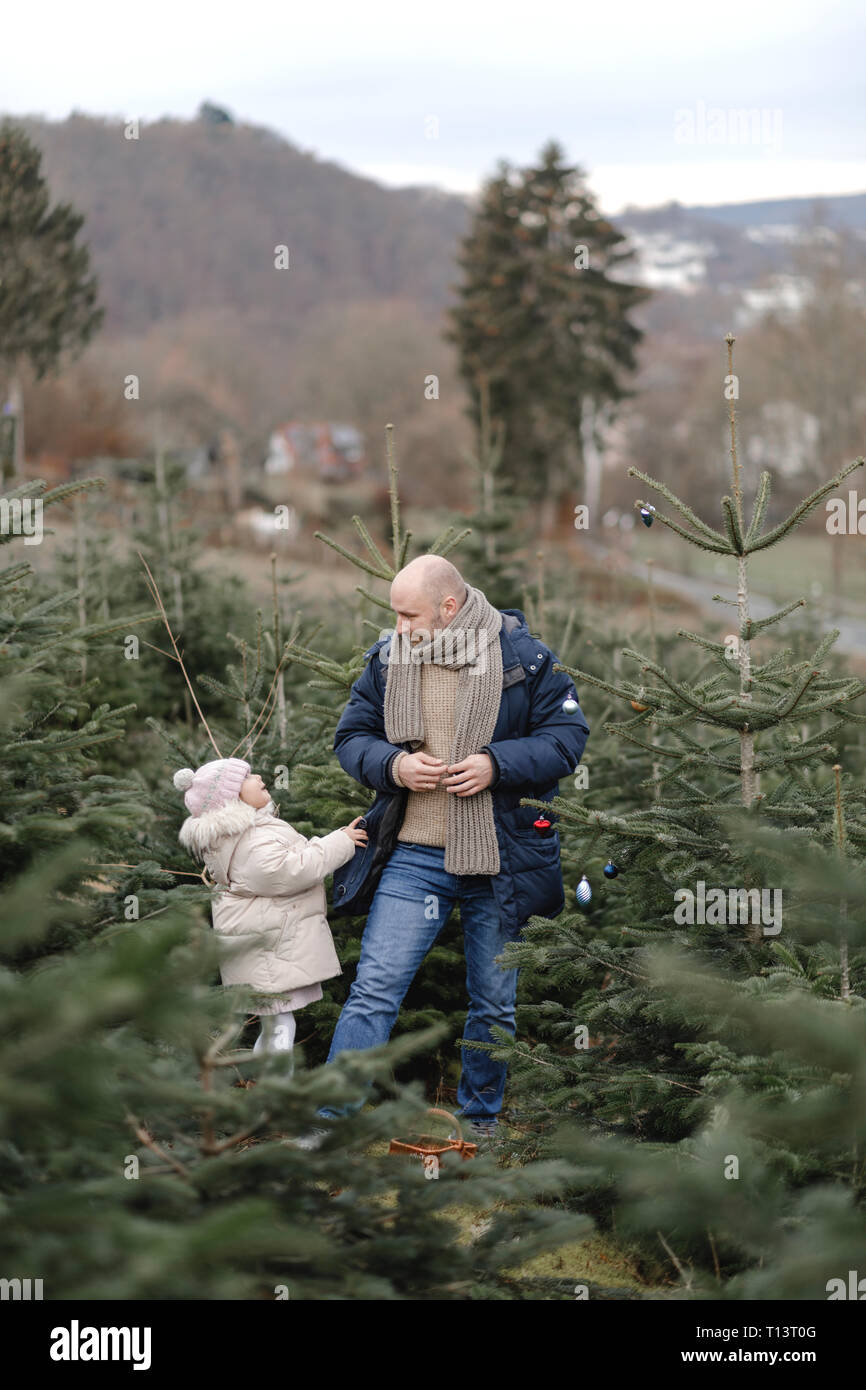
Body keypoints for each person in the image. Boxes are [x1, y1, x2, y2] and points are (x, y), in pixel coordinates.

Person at [315, 554, 590, 1142]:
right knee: (374, 990)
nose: (400, 627)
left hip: (498, 858)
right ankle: (329, 1125)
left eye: (409, 614)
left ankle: (481, 1124)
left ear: (449, 607)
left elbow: (568, 739)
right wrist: (392, 764)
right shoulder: (389, 660)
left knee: (493, 1001)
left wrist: (497, 764)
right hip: (414, 857)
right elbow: (350, 738)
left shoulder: (525, 659)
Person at [173, 758, 367, 1059]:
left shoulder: (247, 832)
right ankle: (276, 1093)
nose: (259, 776)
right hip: (270, 949)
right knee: (280, 1025)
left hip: (269, 945)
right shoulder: (249, 840)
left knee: (275, 1022)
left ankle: (261, 1084)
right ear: (232, 797)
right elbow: (292, 871)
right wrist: (340, 842)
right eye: (247, 777)